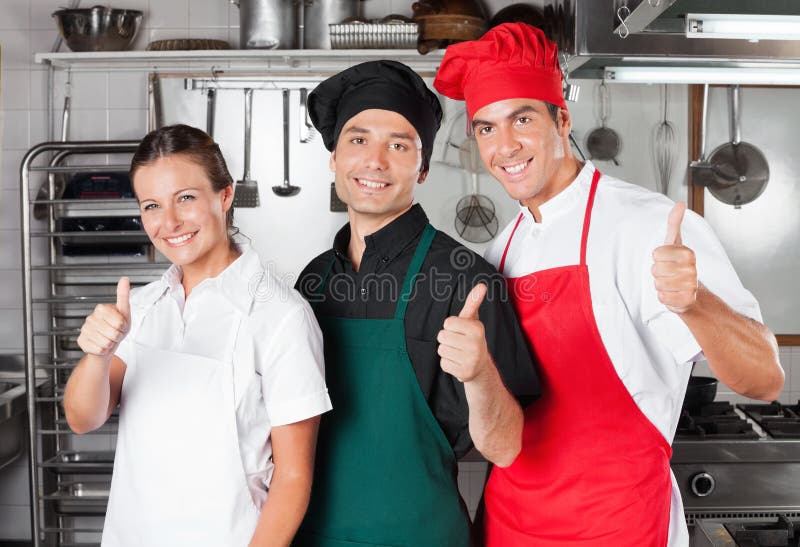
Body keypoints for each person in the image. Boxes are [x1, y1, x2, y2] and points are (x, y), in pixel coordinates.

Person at [434, 23, 784, 547]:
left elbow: (765, 380)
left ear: (562, 120)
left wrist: (695, 303)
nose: (504, 146)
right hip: (511, 525)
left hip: (620, 525)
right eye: (485, 128)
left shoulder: (650, 226)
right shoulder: (498, 251)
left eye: (521, 119)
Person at [292, 60, 541, 547]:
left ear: (423, 168)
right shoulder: (314, 280)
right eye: (358, 140)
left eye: (399, 145)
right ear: (334, 157)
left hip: (421, 534)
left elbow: (508, 448)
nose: (375, 161)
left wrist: (481, 374)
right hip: (314, 534)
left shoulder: (469, 280)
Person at [63, 124, 332, 547]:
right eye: (151, 205)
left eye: (185, 198)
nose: (168, 222)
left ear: (224, 197)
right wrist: (97, 355)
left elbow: (294, 478)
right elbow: (82, 419)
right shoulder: (143, 306)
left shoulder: (281, 316)